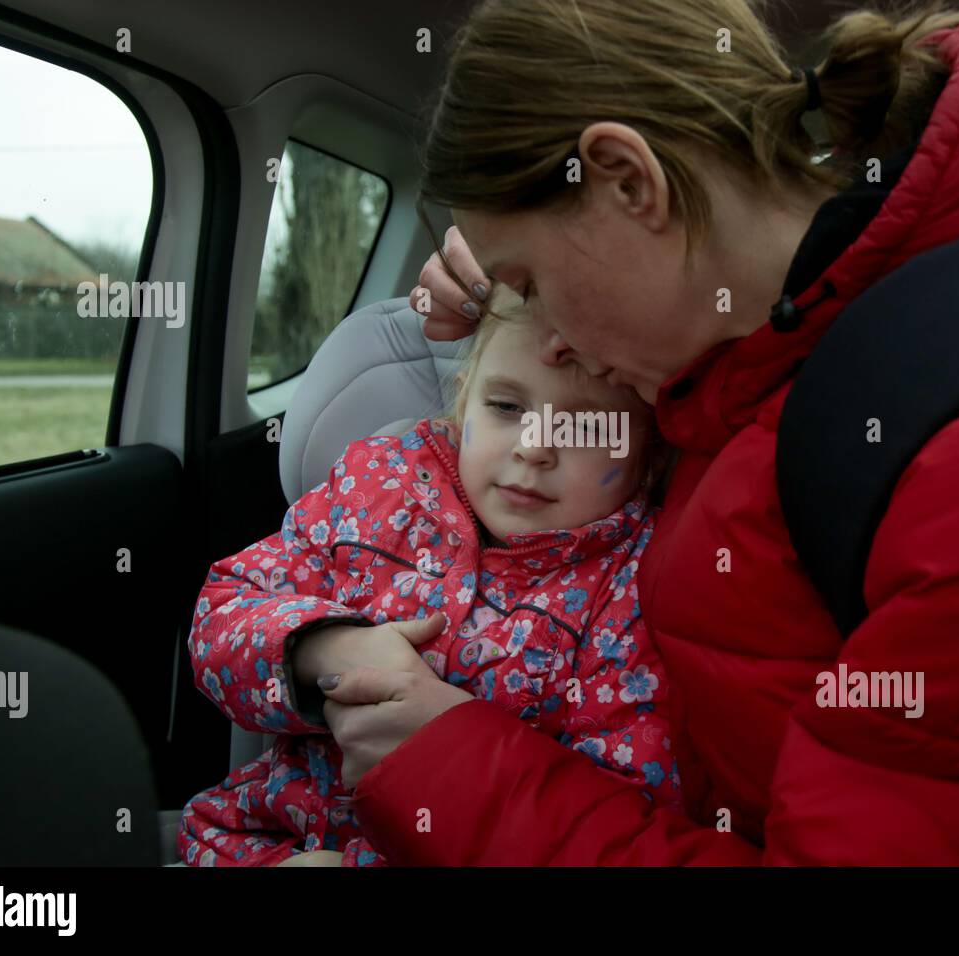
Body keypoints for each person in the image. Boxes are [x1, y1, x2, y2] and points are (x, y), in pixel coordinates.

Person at [314, 0, 959, 864]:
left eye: (536, 282)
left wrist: (446, 767)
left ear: (629, 181)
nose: (550, 336)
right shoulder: (756, 360)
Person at [176, 284, 677, 866]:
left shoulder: (633, 585)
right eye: (507, 408)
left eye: (586, 430)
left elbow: (616, 800)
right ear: (464, 404)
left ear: (649, 458)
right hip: (260, 833)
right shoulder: (376, 486)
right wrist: (325, 648)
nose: (534, 447)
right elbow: (223, 614)